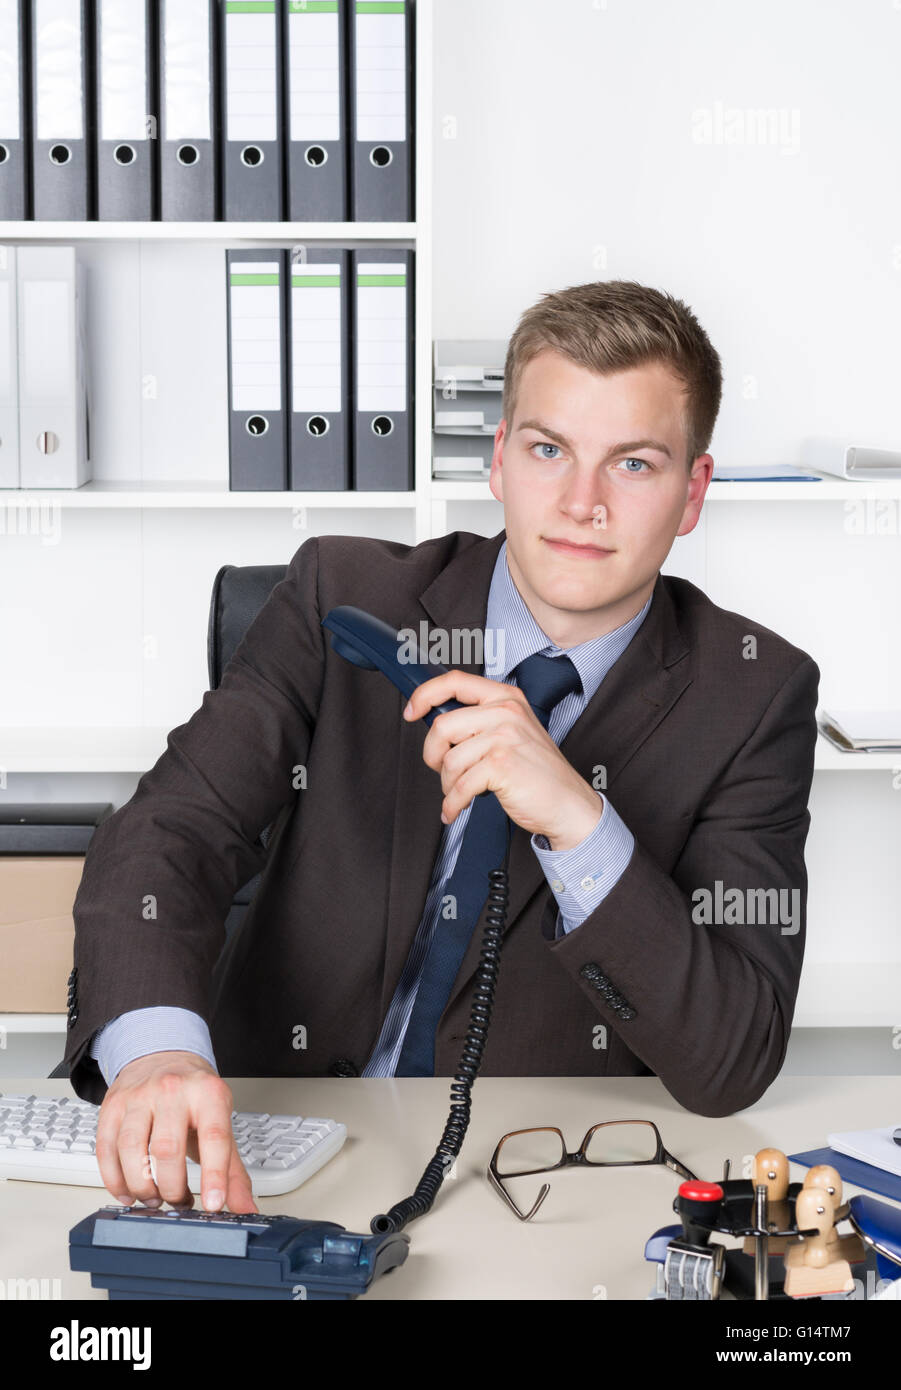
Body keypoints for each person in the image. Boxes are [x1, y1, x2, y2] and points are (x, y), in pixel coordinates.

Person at [63, 280, 819, 1219]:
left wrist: (580, 823)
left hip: (517, 1188)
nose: (581, 503)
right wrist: (160, 1054)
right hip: (260, 1141)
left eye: (632, 464)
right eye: (549, 450)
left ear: (692, 493)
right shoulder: (337, 594)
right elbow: (165, 836)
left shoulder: (755, 693)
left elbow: (731, 1057)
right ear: (498, 460)